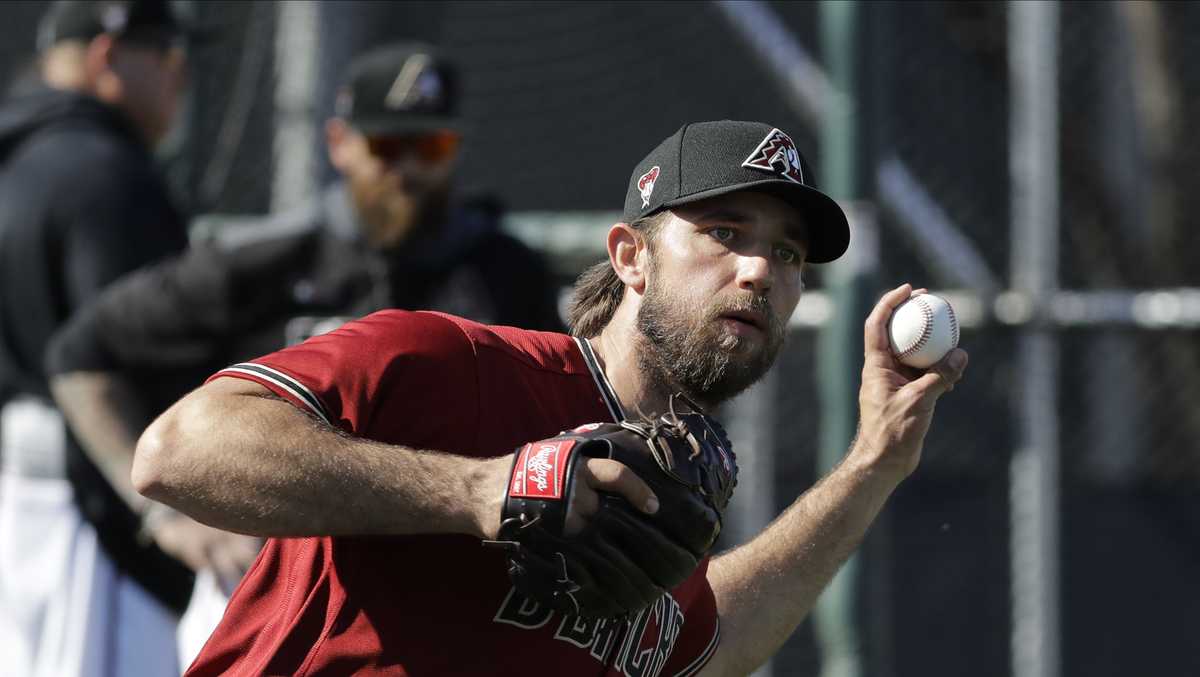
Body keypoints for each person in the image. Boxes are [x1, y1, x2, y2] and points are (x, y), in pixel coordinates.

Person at [133, 120, 968, 676]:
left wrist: (874, 462)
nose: (761, 269)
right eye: (724, 232)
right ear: (631, 257)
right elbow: (177, 452)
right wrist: (479, 490)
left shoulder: (667, 492)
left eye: (788, 254)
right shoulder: (449, 362)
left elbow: (706, 644)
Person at [43, 41, 563, 668]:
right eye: (386, 147)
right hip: (272, 577)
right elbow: (81, 354)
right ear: (340, 142)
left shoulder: (502, 271)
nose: (407, 171)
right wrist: (162, 517)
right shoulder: (267, 258)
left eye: (430, 148)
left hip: (446, 578)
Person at [0, 1, 199, 675]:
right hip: (94, 514)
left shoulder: (17, 155)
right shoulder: (105, 173)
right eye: (167, 56)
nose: (182, 77)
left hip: (17, 499)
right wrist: (166, 513)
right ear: (106, 57)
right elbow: (128, 358)